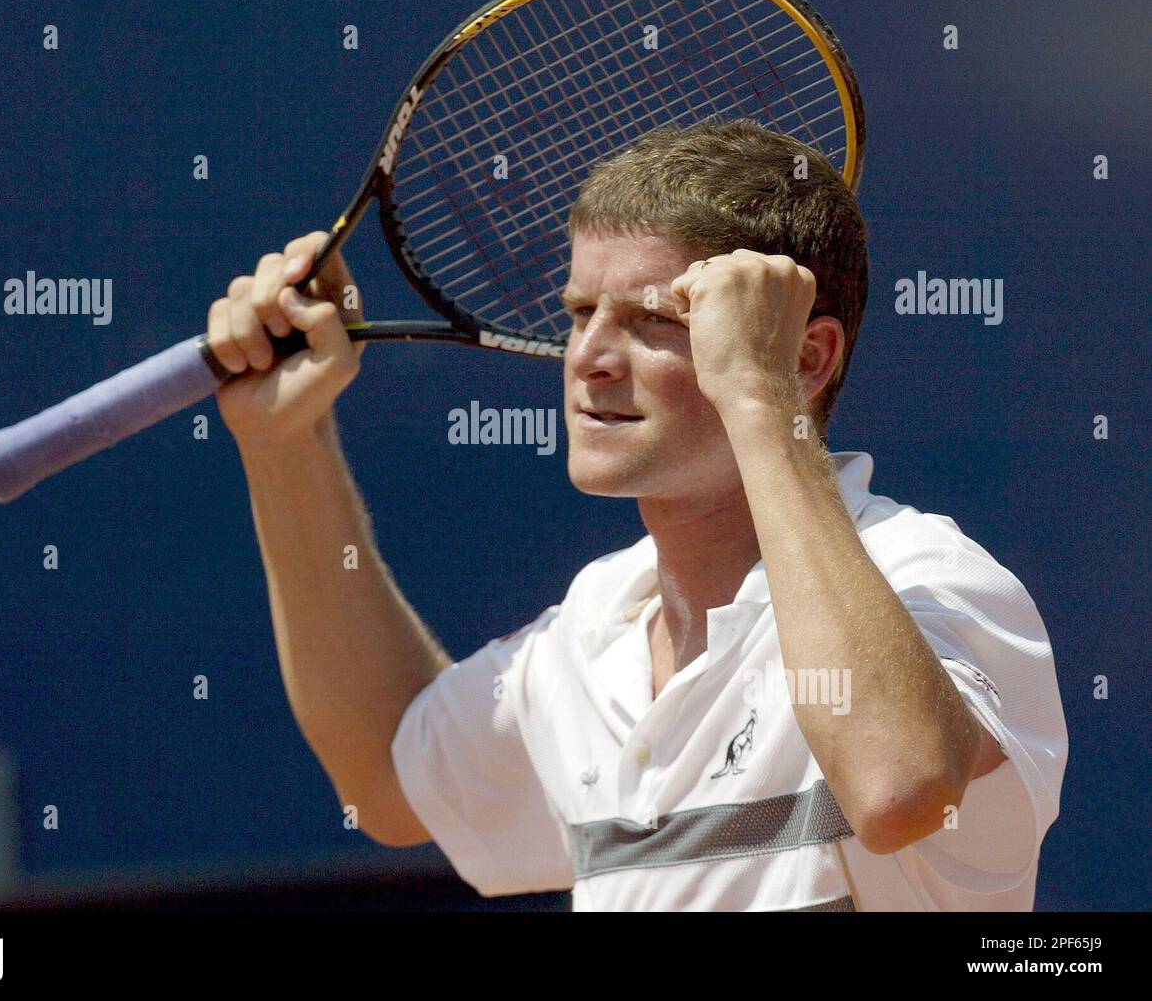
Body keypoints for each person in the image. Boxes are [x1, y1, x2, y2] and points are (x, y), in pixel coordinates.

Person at [205, 119, 1067, 911]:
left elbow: (897, 785)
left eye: (655, 319)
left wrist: (764, 400)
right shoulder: (594, 631)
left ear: (806, 356)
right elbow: (389, 774)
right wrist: (285, 446)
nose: (588, 357)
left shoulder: (933, 578)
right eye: (581, 311)